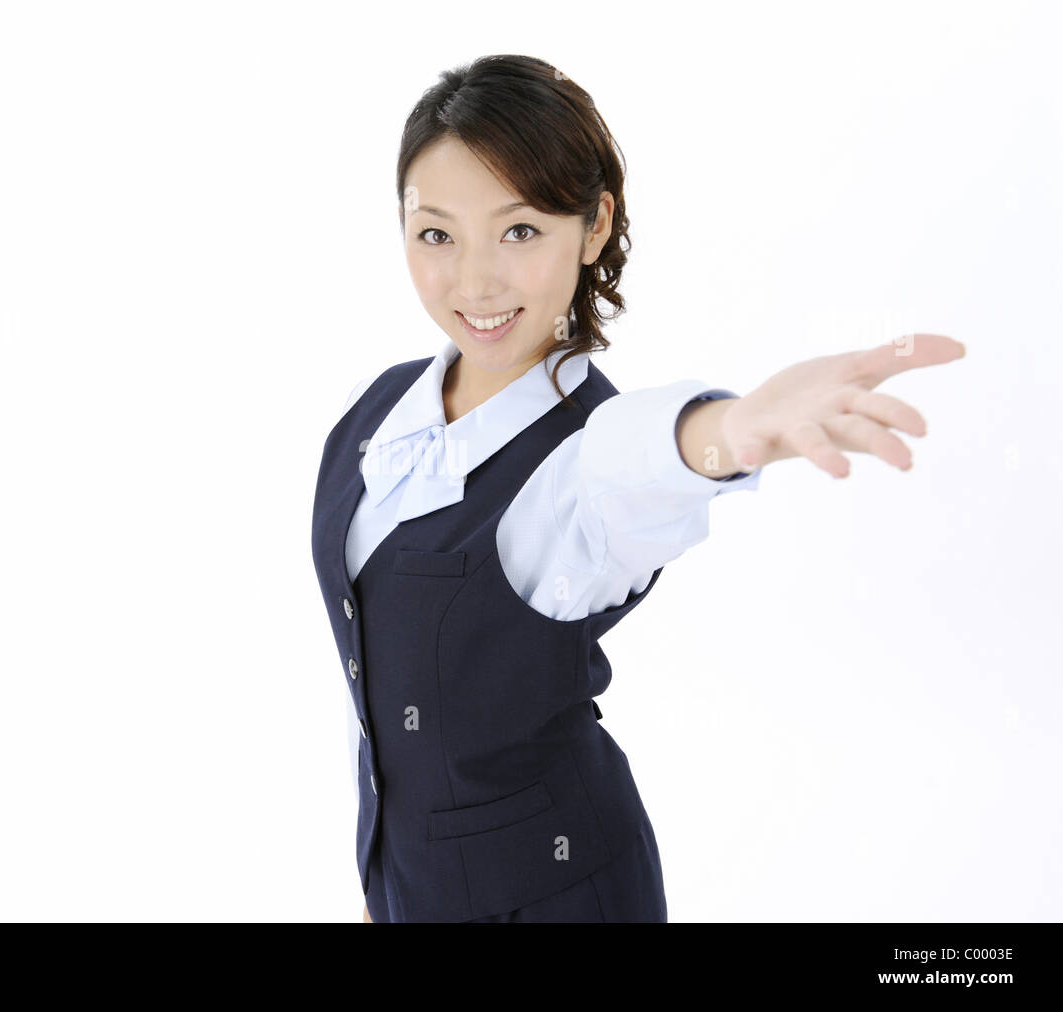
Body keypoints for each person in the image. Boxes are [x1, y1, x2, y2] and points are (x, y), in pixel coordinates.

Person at [310, 54, 965, 923]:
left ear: (592, 225)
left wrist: (730, 431)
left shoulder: (586, 463)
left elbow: (642, 458)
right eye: (436, 234)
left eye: (519, 231)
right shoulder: (381, 409)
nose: (473, 282)